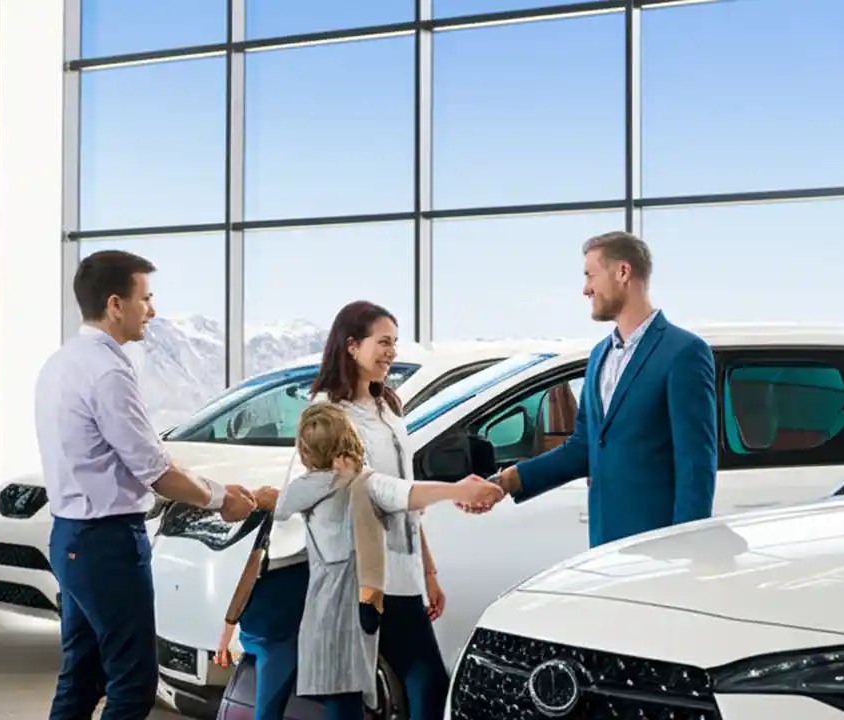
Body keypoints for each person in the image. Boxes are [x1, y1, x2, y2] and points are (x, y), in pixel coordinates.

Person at [219, 300, 481, 720]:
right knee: (352, 692)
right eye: (383, 342)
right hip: (355, 573)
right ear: (352, 345)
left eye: (394, 343)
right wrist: (453, 490)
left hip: (401, 567)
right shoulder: (329, 413)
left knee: (425, 681)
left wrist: (427, 569)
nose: (391, 352)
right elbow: (378, 489)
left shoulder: (389, 407)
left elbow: (402, 488)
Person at [35, 249, 257, 720]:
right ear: (116, 304)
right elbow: (153, 468)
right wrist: (221, 499)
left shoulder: (59, 363)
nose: (152, 311)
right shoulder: (109, 371)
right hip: (107, 544)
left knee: (81, 676)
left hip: (71, 537)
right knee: (133, 684)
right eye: (146, 298)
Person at [230, 403, 500, 719]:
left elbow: (280, 504)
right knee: (354, 692)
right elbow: (406, 493)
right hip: (361, 601)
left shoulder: (303, 488)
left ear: (305, 450)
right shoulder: (365, 482)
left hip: (324, 607)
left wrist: (257, 496)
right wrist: (457, 490)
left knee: (340, 698)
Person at [470, 231, 718, 547]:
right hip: (604, 543)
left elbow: (695, 465)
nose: (586, 289)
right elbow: (584, 447)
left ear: (623, 272)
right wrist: (508, 481)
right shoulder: (600, 355)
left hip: (659, 544)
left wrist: (688, 548)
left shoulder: (684, 352)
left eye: (590, 275)